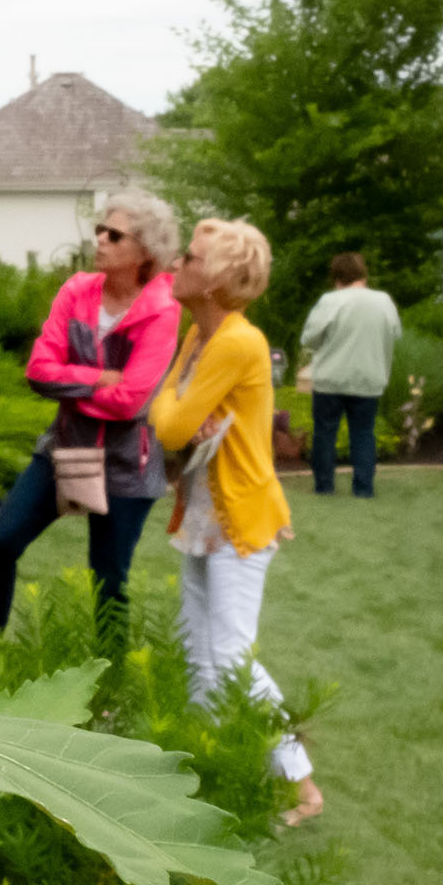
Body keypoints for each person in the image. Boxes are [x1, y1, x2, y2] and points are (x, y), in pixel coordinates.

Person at [150, 219, 322, 824]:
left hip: (241, 521)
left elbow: (168, 424)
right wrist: (176, 407)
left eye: (193, 259)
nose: (178, 264)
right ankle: (199, 765)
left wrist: (176, 411)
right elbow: (168, 411)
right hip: (206, 518)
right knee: (199, 650)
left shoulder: (235, 342)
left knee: (229, 659)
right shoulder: (202, 335)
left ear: (220, 279)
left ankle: (302, 785)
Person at [0, 190, 181, 643]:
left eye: (114, 234)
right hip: (64, 448)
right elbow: (38, 371)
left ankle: (110, 689)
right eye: (99, 230)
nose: (101, 240)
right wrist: (98, 381)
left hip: (127, 466)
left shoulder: (163, 312)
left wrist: (75, 386)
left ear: (145, 251)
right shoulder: (77, 291)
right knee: (0, 543)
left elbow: (132, 401)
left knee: (108, 582)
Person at [298, 252, 400, 498]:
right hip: (368, 377)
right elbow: (395, 334)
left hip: (330, 378)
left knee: (325, 432)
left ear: (336, 277)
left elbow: (308, 339)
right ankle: (363, 488)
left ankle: (324, 486)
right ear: (363, 274)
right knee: (363, 432)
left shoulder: (330, 301)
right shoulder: (384, 301)